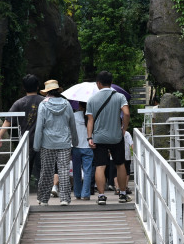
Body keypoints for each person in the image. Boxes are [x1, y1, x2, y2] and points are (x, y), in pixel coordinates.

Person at [85, 70, 131, 205]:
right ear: (111, 83)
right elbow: (126, 113)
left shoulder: (92, 99)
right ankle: (122, 194)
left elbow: (90, 120)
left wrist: (89, 138)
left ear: (98, 83)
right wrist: (124, 128)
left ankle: (101, 196)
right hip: (116, 137)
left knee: (100, 165)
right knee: (120, 164)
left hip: (99, 138)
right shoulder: (119, 96)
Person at [33, 80, 79, 205]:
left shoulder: (43, 105)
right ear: (58, 91)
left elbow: (39, 127)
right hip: (64, 143)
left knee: (46, 171)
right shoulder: (66, 104)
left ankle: (43, 199)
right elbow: (72, 125)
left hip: (47, 143)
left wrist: (36, 145)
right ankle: (64, 199)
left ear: (47, 92)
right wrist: (75, 141)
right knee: (64, 170)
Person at [0, 74, 43, 180]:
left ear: (24, 87)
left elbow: (8, 121)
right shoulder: (44, 102)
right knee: (42, 169)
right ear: (37, 87)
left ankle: (24, 193)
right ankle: (43, 194)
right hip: (43, 141)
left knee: (25, 170)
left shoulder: (19, 103)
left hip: (26, 142)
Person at [71, 101, 94, 199]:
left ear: (79, 105)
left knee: (76, 171)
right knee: (88, 171)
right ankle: (85, 194)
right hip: (88, 147)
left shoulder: (74, 116)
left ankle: (77, 193)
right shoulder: (91, 116)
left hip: (76, 147)